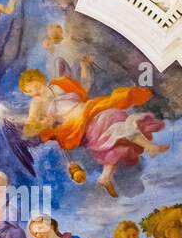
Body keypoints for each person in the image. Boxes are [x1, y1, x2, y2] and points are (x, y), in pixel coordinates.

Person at [16, 69, 167, 197]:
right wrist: (43, 124)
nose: (33, 92)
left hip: (88, 109)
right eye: (29, 92)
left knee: (116, 116)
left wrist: (84, 67)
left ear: (39, 79)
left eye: (33, 86)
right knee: (112, 122)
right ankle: (149, 147)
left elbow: (84, 88)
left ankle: (107, 175)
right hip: (75, 125)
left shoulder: (58, 83)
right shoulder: (37, 103)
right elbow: (29, 128)